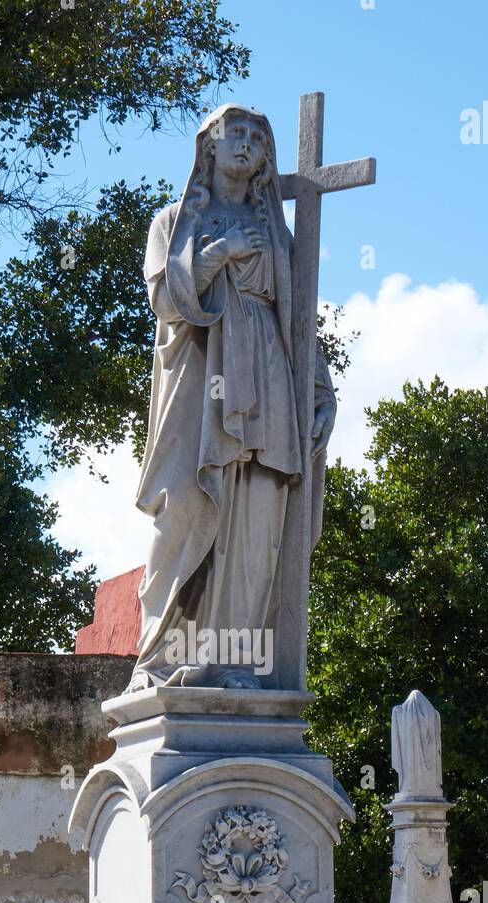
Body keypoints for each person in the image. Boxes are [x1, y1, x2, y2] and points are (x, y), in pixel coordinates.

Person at [128, 104, 336, 691]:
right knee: (187, 510)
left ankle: (237, 665)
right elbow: (167, 302)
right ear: (208, 148)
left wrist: (320, 391)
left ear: (266, 155)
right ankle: (161, 660)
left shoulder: (279, 234)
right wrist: (218, 253)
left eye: (254, 136)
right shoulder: (173, 223)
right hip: (200, 385)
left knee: (258, 521)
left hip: (268, 379)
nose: (244, 143)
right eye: (232, 134)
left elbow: (300, 321)